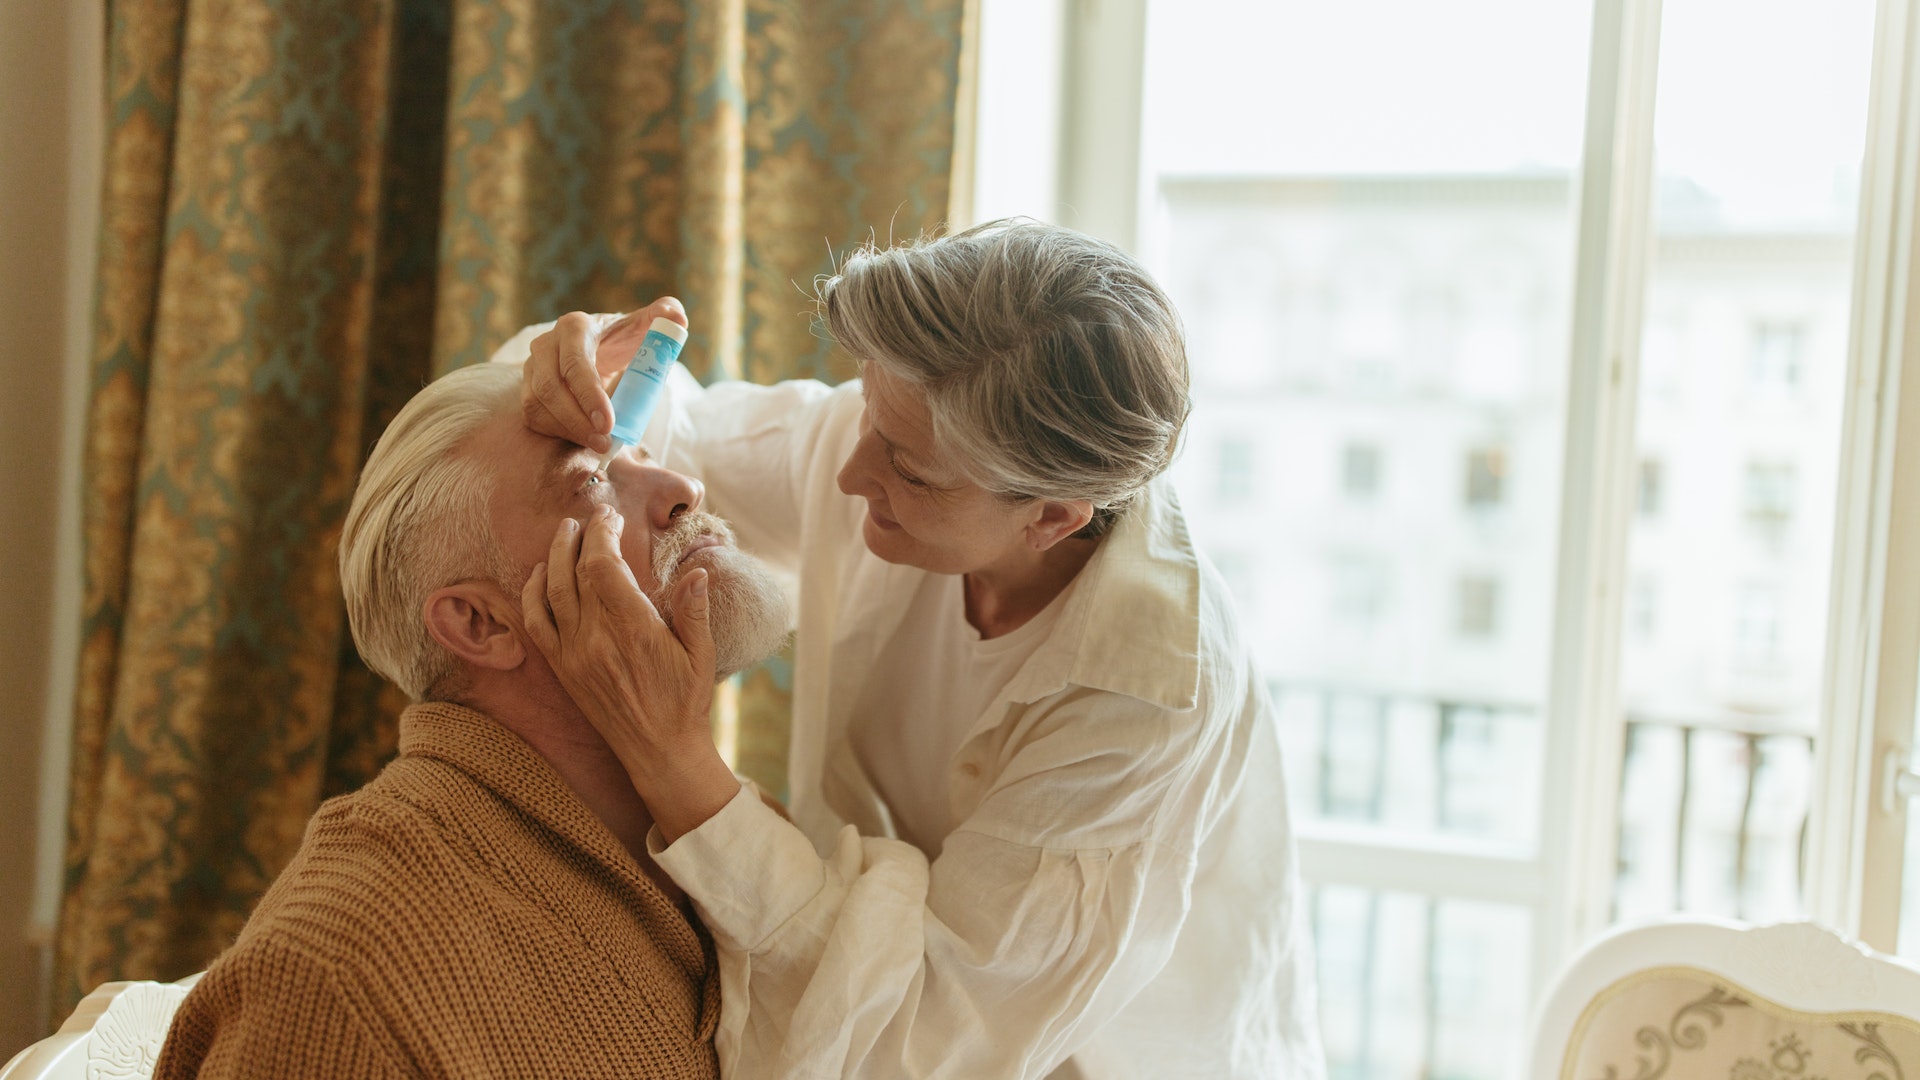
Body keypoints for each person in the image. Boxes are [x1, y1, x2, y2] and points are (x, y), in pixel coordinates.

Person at [506, 220, 1324, 1079]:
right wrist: (578, 366)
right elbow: (670, 436)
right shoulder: (903, 439)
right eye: (866, 409)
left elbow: (925, 1039)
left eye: (910, 471)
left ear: (1050, 518)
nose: (854, 473)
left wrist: (674, 760)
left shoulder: (1148, 698)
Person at [154, 364, 791, 1079]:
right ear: (481, 622)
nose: (684, 490)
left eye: (640, 454)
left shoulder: (733, 843)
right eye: (591, 484)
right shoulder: (339, 979)